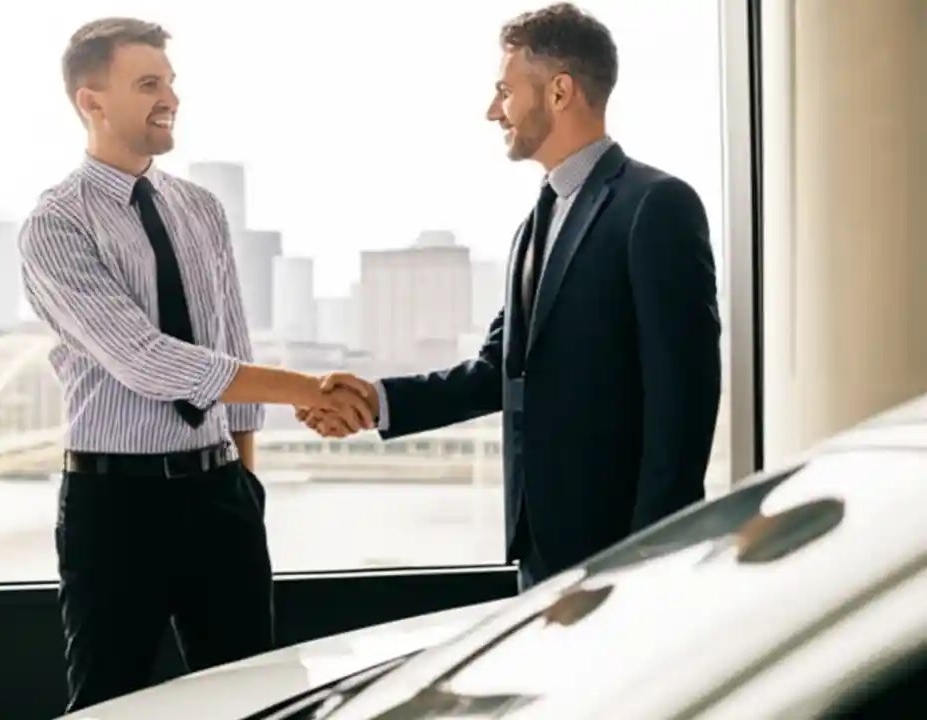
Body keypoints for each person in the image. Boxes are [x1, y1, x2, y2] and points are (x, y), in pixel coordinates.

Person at [299, 2, 721, 592]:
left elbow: (684, 400)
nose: (493, 110)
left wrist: (653, 558)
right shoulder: (532, 228)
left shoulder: (656, 206)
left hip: (624, 556)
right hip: (539, 553)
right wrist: (377, 400)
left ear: (559, 91)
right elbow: (498, 372)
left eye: (505, 90)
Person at [18, 17, 372, 712]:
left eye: (171, 83)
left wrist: (242, 480)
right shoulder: (56, 224)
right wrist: (308, 389)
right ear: (91, 101)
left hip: (219, 496)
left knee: (254, 699)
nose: (170, 98)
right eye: (148, 84)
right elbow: (147, 361)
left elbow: (228, 344)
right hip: (116, 507)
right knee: (107, 705)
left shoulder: (200, 209)